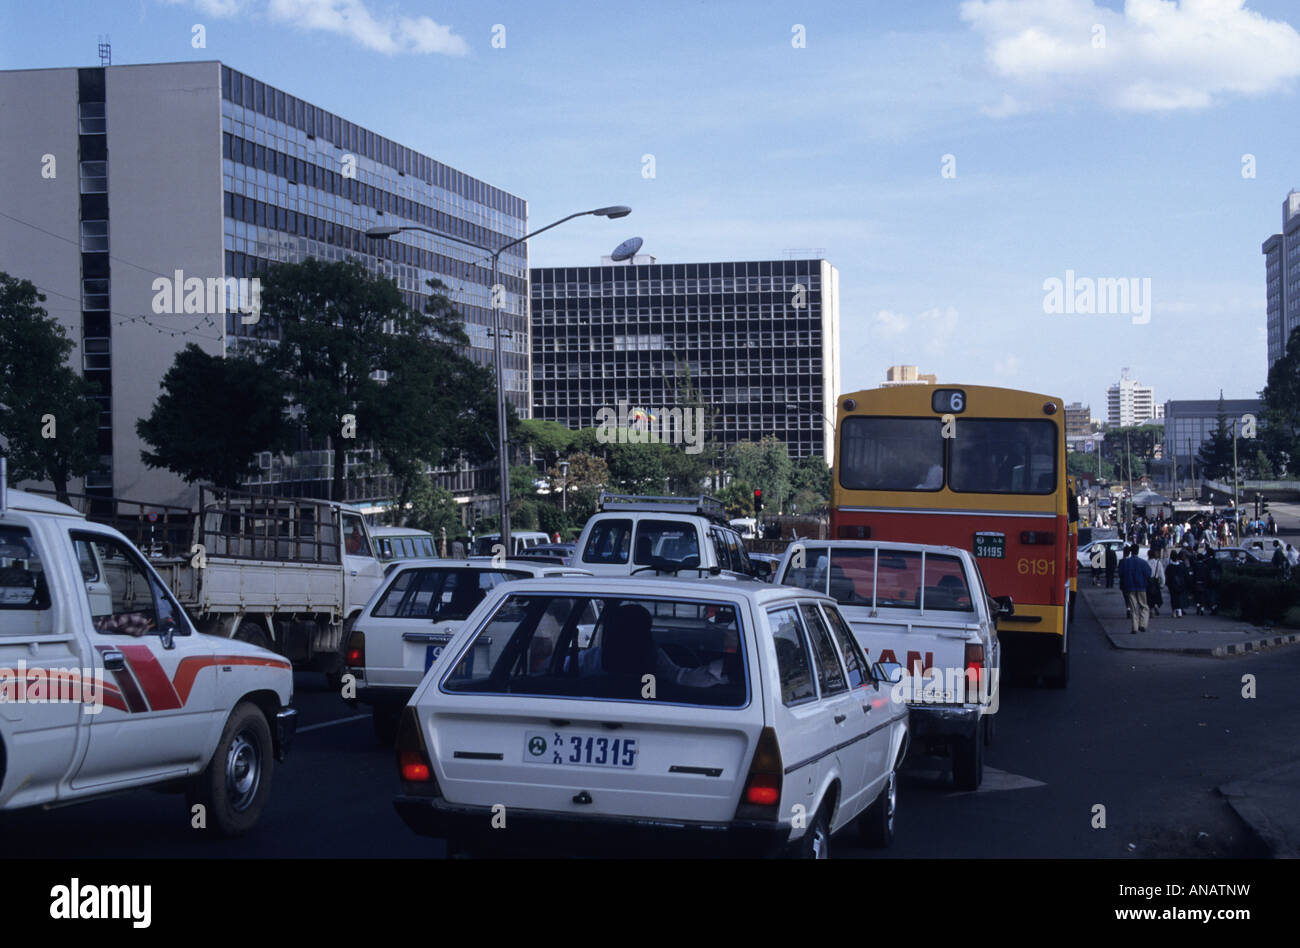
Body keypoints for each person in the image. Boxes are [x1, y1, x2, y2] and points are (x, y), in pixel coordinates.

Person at [1118, 544, 1151, 634]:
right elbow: (1148, 574)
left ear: (1131, 551)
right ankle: (1143, 624)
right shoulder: (1143, 563)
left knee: (1133, 608)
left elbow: (1120, 573)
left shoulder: (1126, 562)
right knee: (1144, 606)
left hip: (1130, 587)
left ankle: (1134, 628)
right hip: (1141, 587)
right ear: (1138, 551)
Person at [1166, 551, 1188, 618]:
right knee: (1179, 598)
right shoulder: (1181, 566)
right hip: (1180, 585)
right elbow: (1185, 575)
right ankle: (1179, 611)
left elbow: (1167, 576)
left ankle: (1174, 612)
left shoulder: (1169, 567)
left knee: (1173, 598)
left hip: (1172, 585)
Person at [1146, 549, 1164, 617]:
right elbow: (1161, 574)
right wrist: (1162, 583)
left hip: (1148, 581)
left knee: (1149, 597)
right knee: (1156, 595)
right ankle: (1156, 606)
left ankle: (1151, 611)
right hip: (1156, 581)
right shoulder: (1158, 563)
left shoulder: (1146, 563)